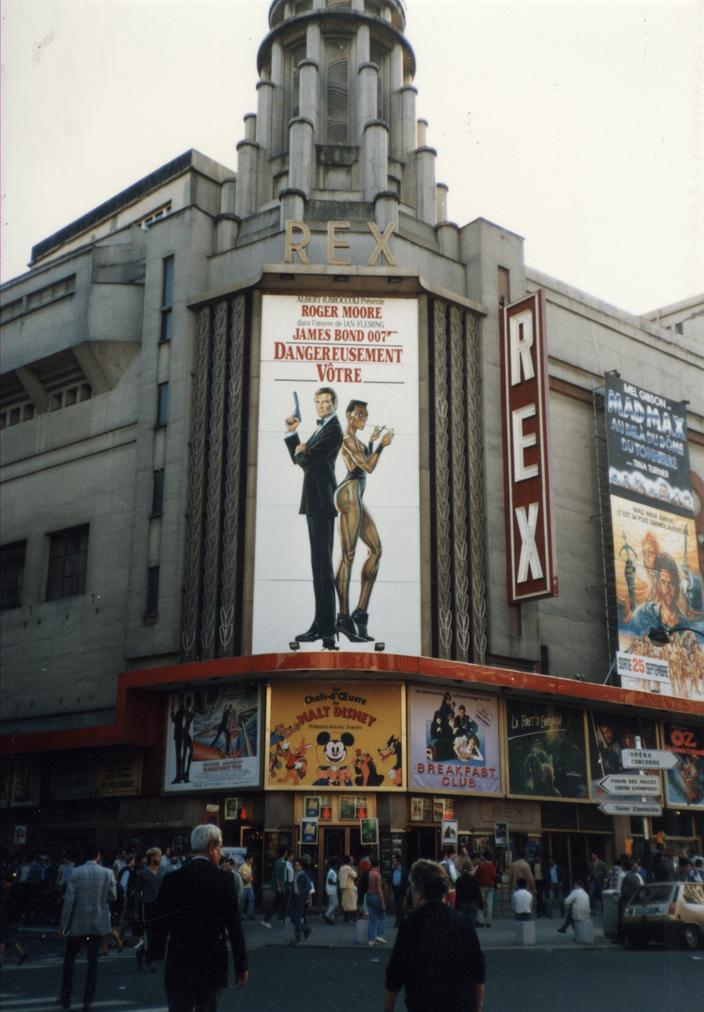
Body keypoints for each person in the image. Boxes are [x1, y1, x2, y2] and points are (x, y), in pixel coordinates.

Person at [156, 824, 248, 1012]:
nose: (221, 853)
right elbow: (234, 926)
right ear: (212, 848)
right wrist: (241, 965)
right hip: (210, 964)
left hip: (179, 963)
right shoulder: (224, 879)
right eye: (220, 848)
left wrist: (156, 953)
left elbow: (159, 922)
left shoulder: (172, 879)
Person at [285, 386, 343, 649]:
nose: (322, 406)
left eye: (326, 402)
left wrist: (302, 451)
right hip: (315, 502)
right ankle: (321, 625)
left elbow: (305, 460)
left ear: (334, 405)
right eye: (318, 402)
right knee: (318, 567)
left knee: (323, 568)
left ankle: (328, 631)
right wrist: (292, 434)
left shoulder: (333, 430)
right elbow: (301, 457)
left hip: (321, 503)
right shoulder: (322, 428)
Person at [385, 859, 485, 1012]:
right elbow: (478, 974)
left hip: (422, 1005)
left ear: (417, 890)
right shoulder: (463, 923)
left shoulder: (410, 925)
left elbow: (395, 976)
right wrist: (476, 1008)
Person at [334, 399, 395, 642]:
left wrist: (372, 442)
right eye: (359, 415)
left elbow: (364, 458)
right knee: (348, 555)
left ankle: (360, 612)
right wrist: (381, 445)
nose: (363, 419)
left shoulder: (358, 440)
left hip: (356, 496)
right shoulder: (347, 438)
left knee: (376, 550)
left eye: (365, 416)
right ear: (349, 415)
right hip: (348, 493)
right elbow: (368, 467)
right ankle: (343, 617)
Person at [57, 841, 116, 1011]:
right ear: (99, 856)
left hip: (77, 922)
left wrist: (63, 925)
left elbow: (68, 901)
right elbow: (113, 896)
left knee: (69, 960)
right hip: (97, 922)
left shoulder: (75, 873)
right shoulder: (107, 873)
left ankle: (66, 997)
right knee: (92, 963)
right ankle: (87, 1000)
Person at [135, 847, 168, 971]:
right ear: (152, 857)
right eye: (158, 856)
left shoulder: (164, 871)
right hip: (148, 905)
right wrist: (135, 911)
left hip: (161, 906)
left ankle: (158, 957)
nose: (160, 858)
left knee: (161, 932)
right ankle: (148, 958)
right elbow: (137, 893)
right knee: (149, 933)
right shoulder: (142, 873)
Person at [0, 872, 28, 966]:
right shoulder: (15, 890)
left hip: (7, 918)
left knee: (2, 939)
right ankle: (22, 954)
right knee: (10, 939)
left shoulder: (7, 892)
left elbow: (4, 906)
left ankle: (1, 959)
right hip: (13, 918)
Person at [261, 845, 288, 928]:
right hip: (280, 886)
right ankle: (267, 919)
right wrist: (279, 886)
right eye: (286, 852)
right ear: (284, 853)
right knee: (280, 904)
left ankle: (279, 919)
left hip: (282, 885)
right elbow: (277, 875)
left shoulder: (282, 862)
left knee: (278, 904)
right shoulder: (279, 862)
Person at [290, 857, 313, 944]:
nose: (296, 867)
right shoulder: (297, 874)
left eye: (298, 865)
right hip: (296, 898)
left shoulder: (302, 875)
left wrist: (302, 894)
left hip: (300, 899)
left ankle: (298, 937)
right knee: (294, 918)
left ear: (302, 867)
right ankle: (306, 929)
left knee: (296, 918)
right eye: (295, 865)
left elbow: (309, 887)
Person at [455, 857, 483, 927]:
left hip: (462, 903)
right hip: (473, 903)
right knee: (472, 923)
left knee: (463, 923)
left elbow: (457, 894)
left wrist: (456, 906)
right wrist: (481, 904)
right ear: (470, 868)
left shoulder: (459, 880)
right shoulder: (474, 880)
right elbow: (478, 893)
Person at [366, 855, 387, 946]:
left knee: (372, 919)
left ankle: (371, 940)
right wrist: (383, 903)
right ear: (378, 865)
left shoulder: (368, 874)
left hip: (368, 896)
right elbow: (379, 889)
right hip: (375, 896)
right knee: (383, 917)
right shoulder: (377, 875)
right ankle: (379, 935)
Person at [474, 851, 497, 928]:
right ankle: (489, 922)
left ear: (485, 857)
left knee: (481, 904)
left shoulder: (481, 866)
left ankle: (480, 921)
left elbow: (476, 875)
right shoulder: (492, 866)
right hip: (491, 887)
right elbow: (494, 877)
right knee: (489, 904)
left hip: (482, 886)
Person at [389, 852, 409, 927]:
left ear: (398, 861)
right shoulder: (392, 870)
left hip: (402, 889)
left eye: (394, 860)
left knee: (398, 905)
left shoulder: (403, 870)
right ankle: (402, 920)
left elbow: (407, 880)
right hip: (395, 889)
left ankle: (399, 922)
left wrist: (408, 889)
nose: (393, 861)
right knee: (398, 906)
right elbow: (390, 878)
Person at [339, 855, 358, 922]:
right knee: (353, 903)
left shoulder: (341, 868)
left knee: (345, 904)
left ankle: (346, 919)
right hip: (349, 887)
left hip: (343, 887)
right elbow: (355, 875)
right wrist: (354, 870)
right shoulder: (348, 868)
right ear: (349, 861)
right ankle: (353, 918)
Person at [239, 853, 255, 920]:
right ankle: (240, 915)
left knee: (251, 900)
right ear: (248, 859)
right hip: (244, 887)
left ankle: (249, 914)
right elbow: (245, 879)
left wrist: (250, 878)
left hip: (249, 886)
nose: (252, 860)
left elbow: (249, 878)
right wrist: (250, 878)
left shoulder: (250, 866)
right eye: (251, 859)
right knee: (242, 901)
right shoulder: (243, 867)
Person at [323, 857, 339, 924]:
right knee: (335, 904)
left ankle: (331, 918)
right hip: (332, 890)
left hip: (330, 890)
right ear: (335, 864)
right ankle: (327, 915)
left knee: (331, 904)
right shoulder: (332, 872)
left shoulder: (331, 871)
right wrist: (337, 883)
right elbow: (330, 881)